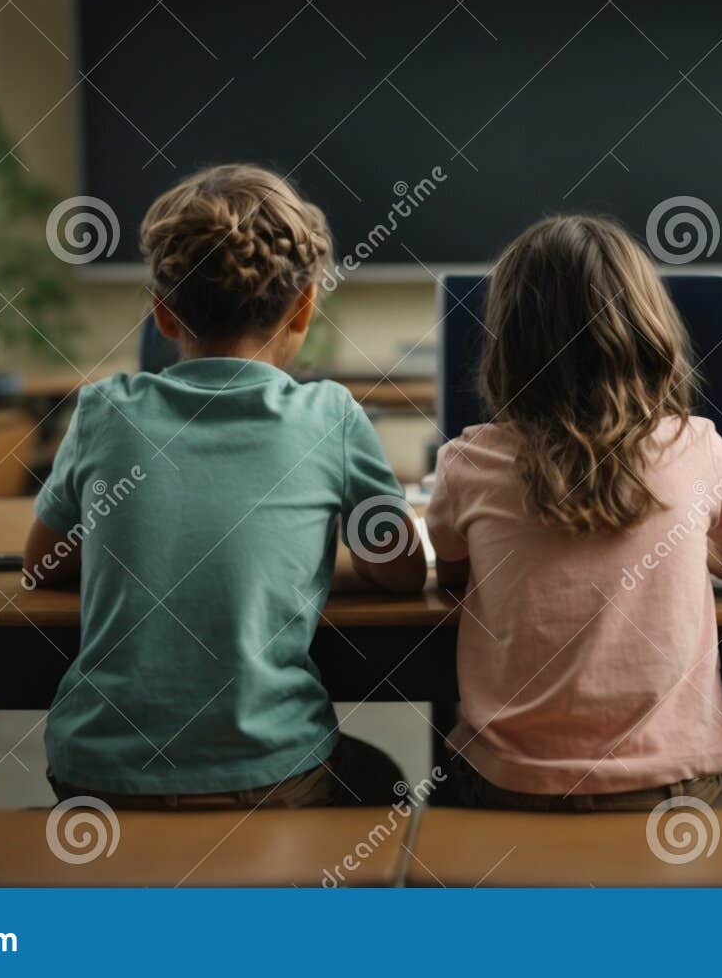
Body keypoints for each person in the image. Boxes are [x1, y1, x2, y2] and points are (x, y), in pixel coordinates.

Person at [24, 164, 425, 808]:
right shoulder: (332, 416)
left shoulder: (105, 409)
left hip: (98, 776)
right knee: (380, 781)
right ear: (305, 306)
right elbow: (403, 572)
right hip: (268, 772)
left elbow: (42, 564)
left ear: (162, 313)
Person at [427, 215, 722, 811]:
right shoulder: (695, 445)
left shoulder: (466, 463)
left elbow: (454, 582)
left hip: (508, 791)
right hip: (673, 797)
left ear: (508, 341)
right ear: (647, 329)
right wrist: (686, 540)